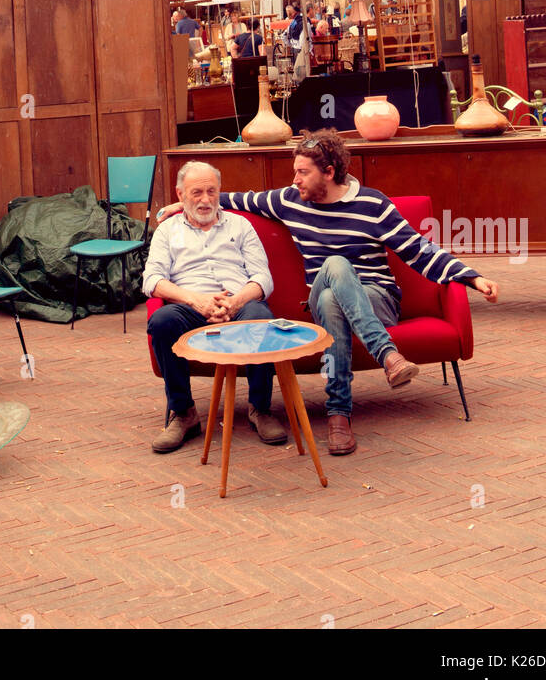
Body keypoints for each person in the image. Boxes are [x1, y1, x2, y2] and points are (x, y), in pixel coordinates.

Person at [164, 130, 499, 457]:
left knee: (331, 292)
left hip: (376, 298)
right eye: (294, 171)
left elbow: (419, 250)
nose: (294, 179)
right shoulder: (289, 200)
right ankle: (387, 357)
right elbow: (236, 198)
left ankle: (339, 414)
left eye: (302, 172)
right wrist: (185, 204)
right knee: (333, 273)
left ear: (329, 172)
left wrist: (471, 277)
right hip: (321, 299)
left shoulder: (372, 205)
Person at [143, 161, 287, 453]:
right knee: (162, 321)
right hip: (190, 305)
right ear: (180, 194)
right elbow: (152, 280)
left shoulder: (240, 225)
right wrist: (196, 300)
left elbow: (262, 278)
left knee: (261, 317)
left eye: (212, 191)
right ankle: (183, 413)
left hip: (239, 303)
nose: (206, 199)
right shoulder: (167, 230)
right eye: (197, 192)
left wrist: (235, 301)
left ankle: (260, 408)